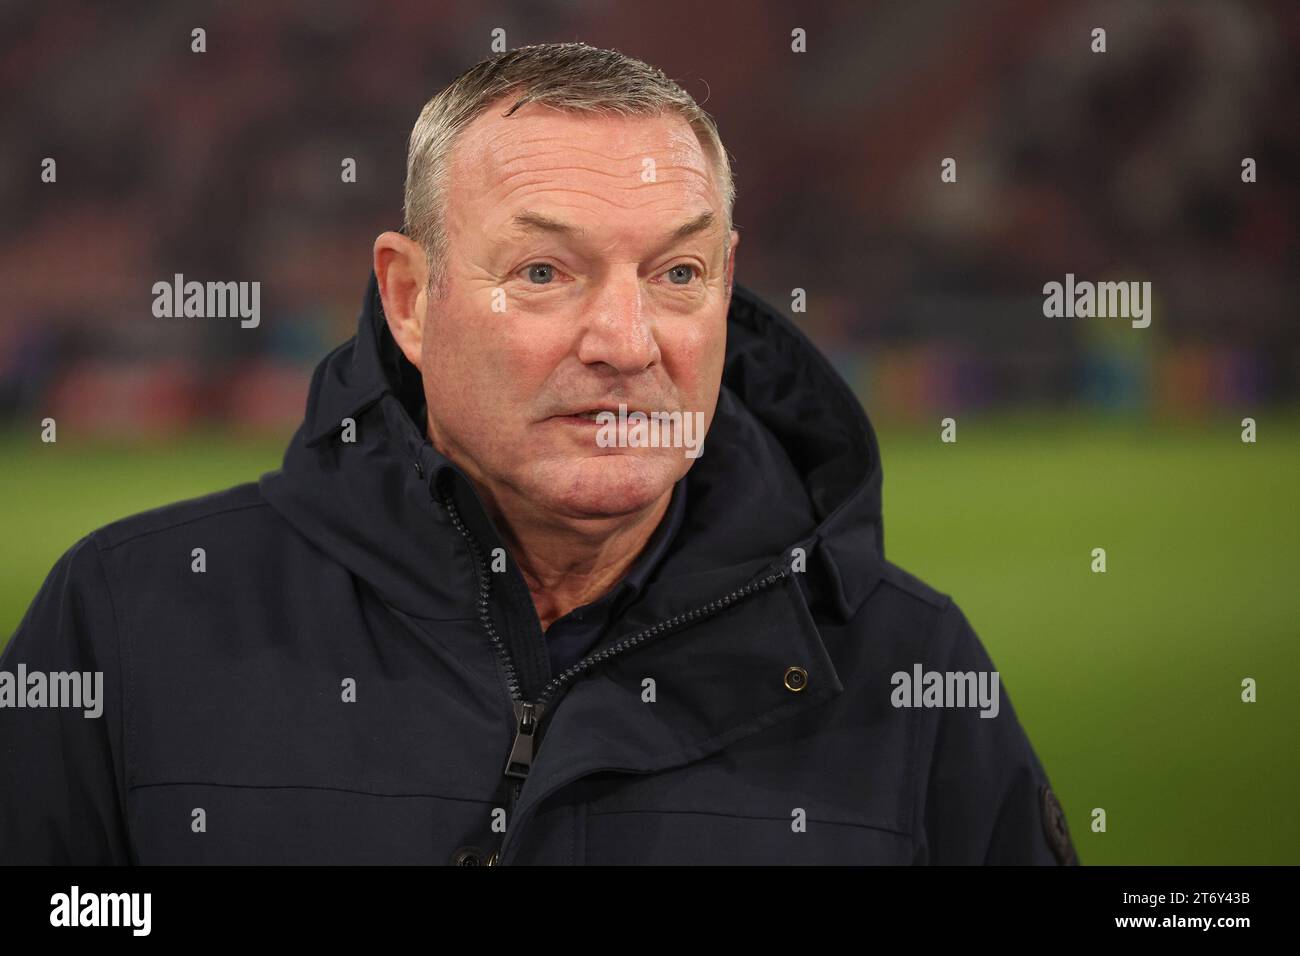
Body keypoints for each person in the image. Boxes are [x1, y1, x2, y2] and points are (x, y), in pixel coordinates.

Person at [0, 42, 1076, 865]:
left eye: (678, 273)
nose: (624, 342)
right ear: (409, 297)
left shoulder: (907, 661)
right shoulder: (125, 620)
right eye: (545, 273)